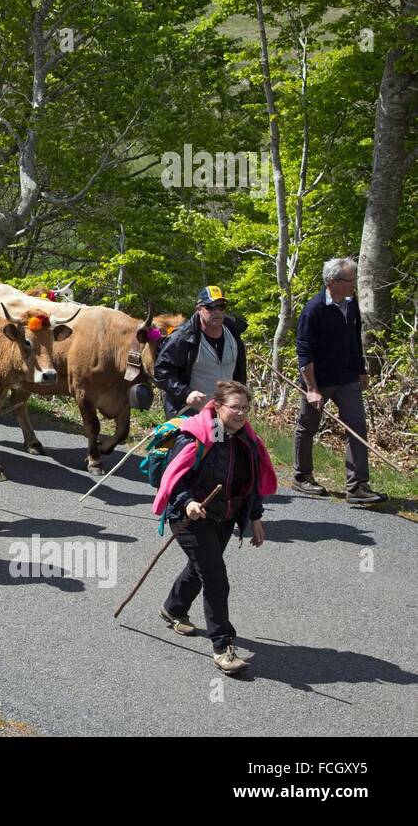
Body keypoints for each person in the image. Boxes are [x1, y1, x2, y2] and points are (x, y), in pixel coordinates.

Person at [153, 381, 276, 674]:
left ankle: (174, 608)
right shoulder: (197, 436)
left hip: (223, 517)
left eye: (245, 408)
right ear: (218, 406)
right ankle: (223, 647)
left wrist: (255, 518)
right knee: (216, 577)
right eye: (235, 407)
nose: (241, 413)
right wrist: (187, 503)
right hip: (189, 517)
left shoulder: (246, 440)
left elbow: (252, 484)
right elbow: (175, 479)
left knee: (200, 568)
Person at [292, 257, 385, 504]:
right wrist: (311, 389)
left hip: (347, 378)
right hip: (318, 380)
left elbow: (355, 338)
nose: (353, 285)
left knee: (356, 427)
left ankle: (357, 487)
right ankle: (303, 477)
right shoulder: (314, 310)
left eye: (354, 279)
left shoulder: (351, 305)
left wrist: (361, 370)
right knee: (307, 427)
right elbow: (304, 352)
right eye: (349, 280)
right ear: (332, 282)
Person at [154, 286, 249, 419]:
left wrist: (241, 401)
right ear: (199, 309)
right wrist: (186, 394)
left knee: (235, 440)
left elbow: (239, 372)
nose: (216, 311)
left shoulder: (233, 333)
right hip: (189, 412)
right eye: (210, 307)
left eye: (221, 306)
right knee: (194, 441)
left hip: (225, 412)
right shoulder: (183, 337)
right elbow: (161, 372)